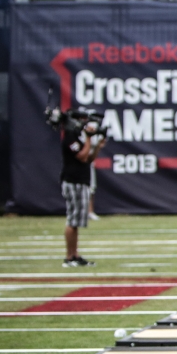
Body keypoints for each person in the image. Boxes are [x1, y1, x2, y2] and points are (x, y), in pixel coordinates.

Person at [60, 114, 105, 267]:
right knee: (72, 220)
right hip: (73, 181)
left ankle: (75, 255)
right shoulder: (70, 138)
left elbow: (89, 159)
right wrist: (88, 138)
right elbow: (83, 156)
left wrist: (97, 146)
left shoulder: (77, 138)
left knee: (76, 221)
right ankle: (69, 257)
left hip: (80, 181)